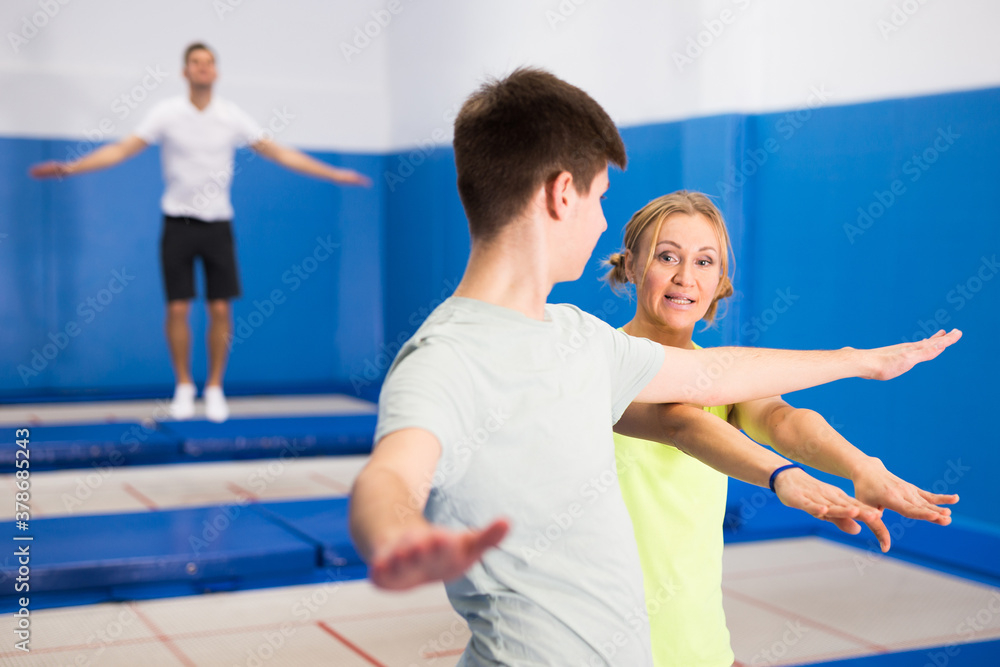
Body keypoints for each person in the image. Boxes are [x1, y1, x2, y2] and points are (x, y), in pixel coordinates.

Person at [347, 68, 961, 666]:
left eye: (704, 263)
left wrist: (861, 368)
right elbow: (392, 477)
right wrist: (398, 532)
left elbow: (719, 377)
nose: (602, 222)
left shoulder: (579, 339)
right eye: (599, 198)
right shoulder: (447, 356)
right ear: (564, 194)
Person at [606, 190, 960, 666]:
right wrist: (782, 476)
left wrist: (860, 466)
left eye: (705, 262)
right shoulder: (601, 360)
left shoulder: (721, 377)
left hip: (697, 644)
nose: (685, 278)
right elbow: (682, 424)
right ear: (630, 266)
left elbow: (782, 420)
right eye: (666, 256)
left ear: (720, 280)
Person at [29, 42, 371, 422]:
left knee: (220, 308)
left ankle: (213, 388)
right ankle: (183, 386)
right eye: (196, 62)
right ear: (185, 71)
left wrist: (334, 173)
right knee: (177, 307)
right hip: (178, 222)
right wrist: (72, 168)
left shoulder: (231, 116)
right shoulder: (166, 113)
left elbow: (280, 152)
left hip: (218, 224)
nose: (203, 68)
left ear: (216, 72)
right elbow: (123, 149)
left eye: (209, 63)